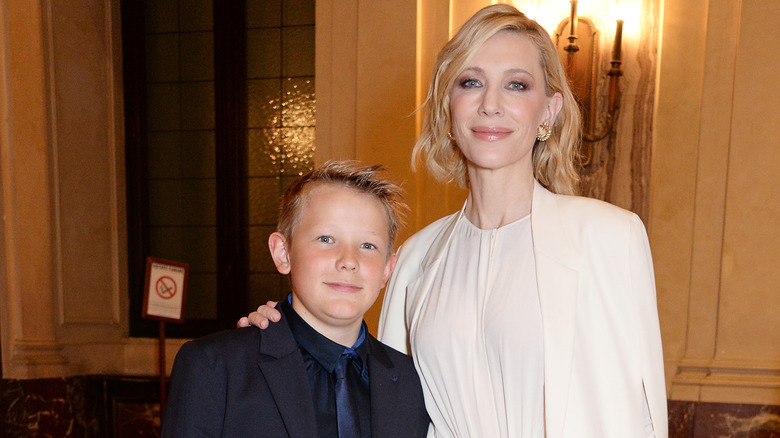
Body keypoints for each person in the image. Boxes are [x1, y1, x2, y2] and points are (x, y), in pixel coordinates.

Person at [239, 4, 667, 437]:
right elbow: (378, 397)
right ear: (448, 105)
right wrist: (284, 334)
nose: (491, 105)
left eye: (516, 85)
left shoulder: (610, 237)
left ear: (549, 111)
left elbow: (645, 414)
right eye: (471, 82)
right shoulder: (415, 259)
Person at [163, 161, 429, 437]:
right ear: (283, 253)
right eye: (326, 239)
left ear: (387, 269)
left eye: (367, 245)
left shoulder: (412, 381)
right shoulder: (217, 367)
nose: (349, 260)